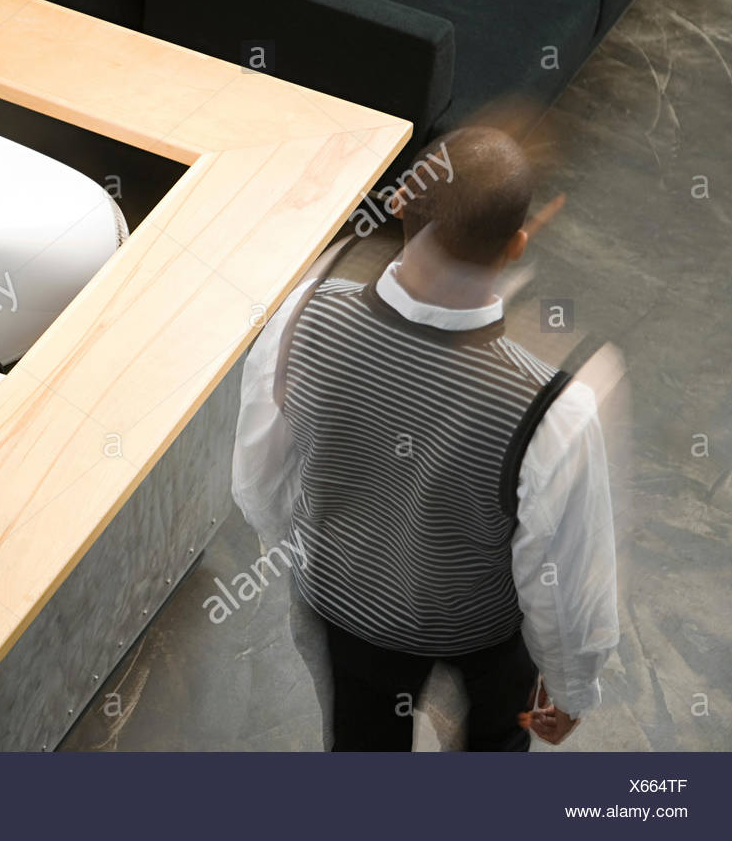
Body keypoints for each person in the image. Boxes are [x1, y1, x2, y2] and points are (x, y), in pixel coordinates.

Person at [231, 127, 619, 751]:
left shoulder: (301, 314)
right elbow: (564, 583)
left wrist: (318, 560)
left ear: (401, 202)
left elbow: (258, 480)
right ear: (518, 244)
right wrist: (572, 691)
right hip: (483, 634)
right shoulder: (552, 410)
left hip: (347, 617)